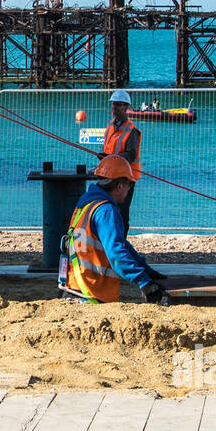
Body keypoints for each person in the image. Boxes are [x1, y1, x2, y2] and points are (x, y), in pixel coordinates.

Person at [61, 155, 167, 304]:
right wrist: (144, 283)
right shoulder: (106, 211)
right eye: (129, 185)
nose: (129, 190)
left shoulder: (87, 203)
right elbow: (117, 253)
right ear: (119, 186)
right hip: (90, 291)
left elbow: (121, 244)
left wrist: (146, 270)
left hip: (74, 284)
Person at [102, 90, 142, 228]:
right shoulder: (109, 127)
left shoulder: (131, 130)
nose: (115, 108)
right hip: (110, 176)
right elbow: (108, 150)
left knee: (122, 213)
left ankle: (121, 243)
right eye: (113, 105)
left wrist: (112, 158)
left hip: (126, 178)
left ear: (126, 107)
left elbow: (131, 154)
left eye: (118, 105)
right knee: (109, 211)